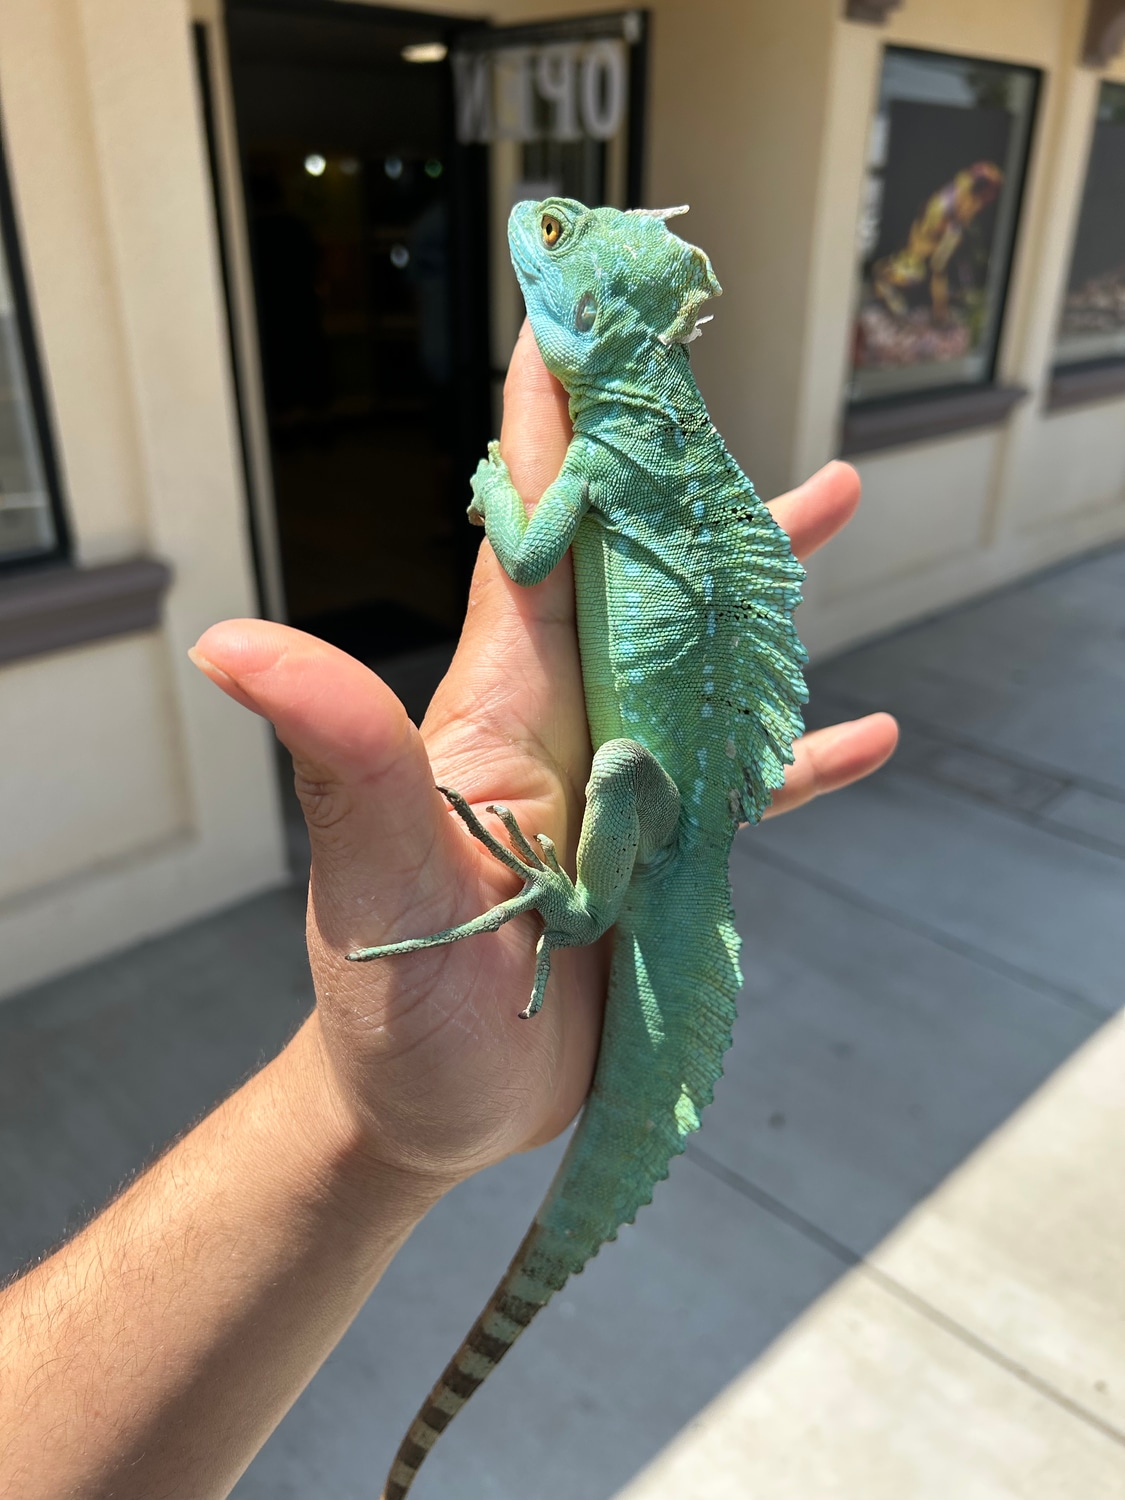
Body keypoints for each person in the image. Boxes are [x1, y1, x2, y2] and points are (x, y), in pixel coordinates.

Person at [0, 324, 897, 1499]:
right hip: (669, 834)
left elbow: (528, 550)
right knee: (628, 768)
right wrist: (368, 1124)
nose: (538, 236)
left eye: (563, 231)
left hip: (649, 841)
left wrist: (488, 487)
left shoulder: (621, 449)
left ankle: (572, 904)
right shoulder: (644, 443)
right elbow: (559, 562)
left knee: (625, 769)